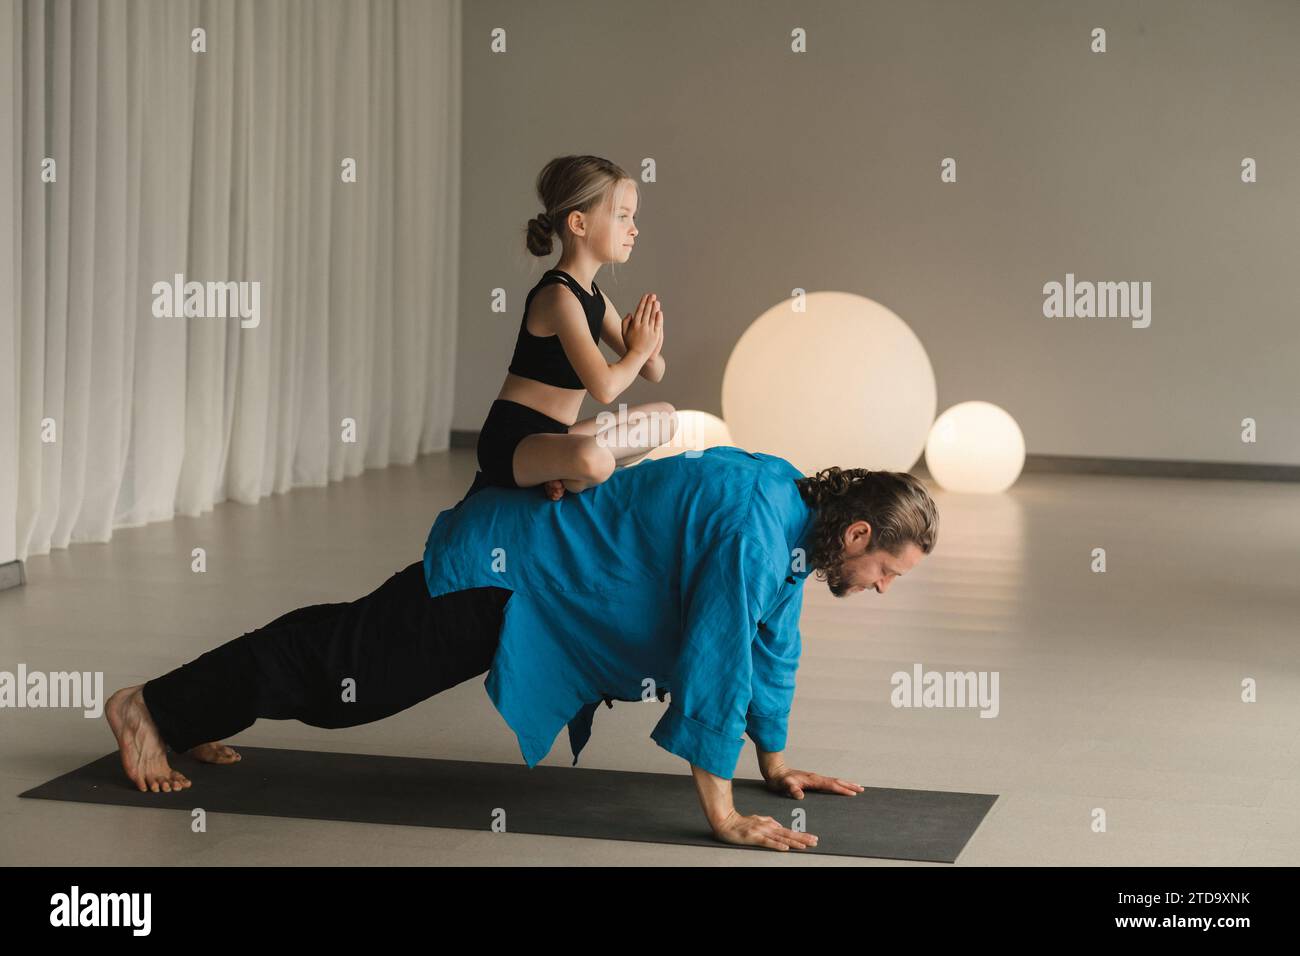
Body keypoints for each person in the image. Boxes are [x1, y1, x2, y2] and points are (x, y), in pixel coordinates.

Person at [105, 448, 939, 852]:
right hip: (508, 578)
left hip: (541, 587)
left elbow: (772, 636)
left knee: (345, 646)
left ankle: (191, 704)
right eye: (885, 570)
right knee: (342, 683)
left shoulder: (792, 515)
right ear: (857, 531)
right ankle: (147, 709)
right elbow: (718, 657)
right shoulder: (756, 530)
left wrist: (776, 761)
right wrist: (722, 815)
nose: (879, 586)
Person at [469, 154, 679, 503]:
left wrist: (649, 346)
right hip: (515, 442)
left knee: (666, 419)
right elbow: (605, 387)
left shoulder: (594, 295)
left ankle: (564, 475)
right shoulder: (558, 297)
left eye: (633, 217)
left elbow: (653, 373)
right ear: (579, 224)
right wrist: (638, 351)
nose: (634, 229)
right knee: (593, 459)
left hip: (559, 434)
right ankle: (571, 474)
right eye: (622, 216)